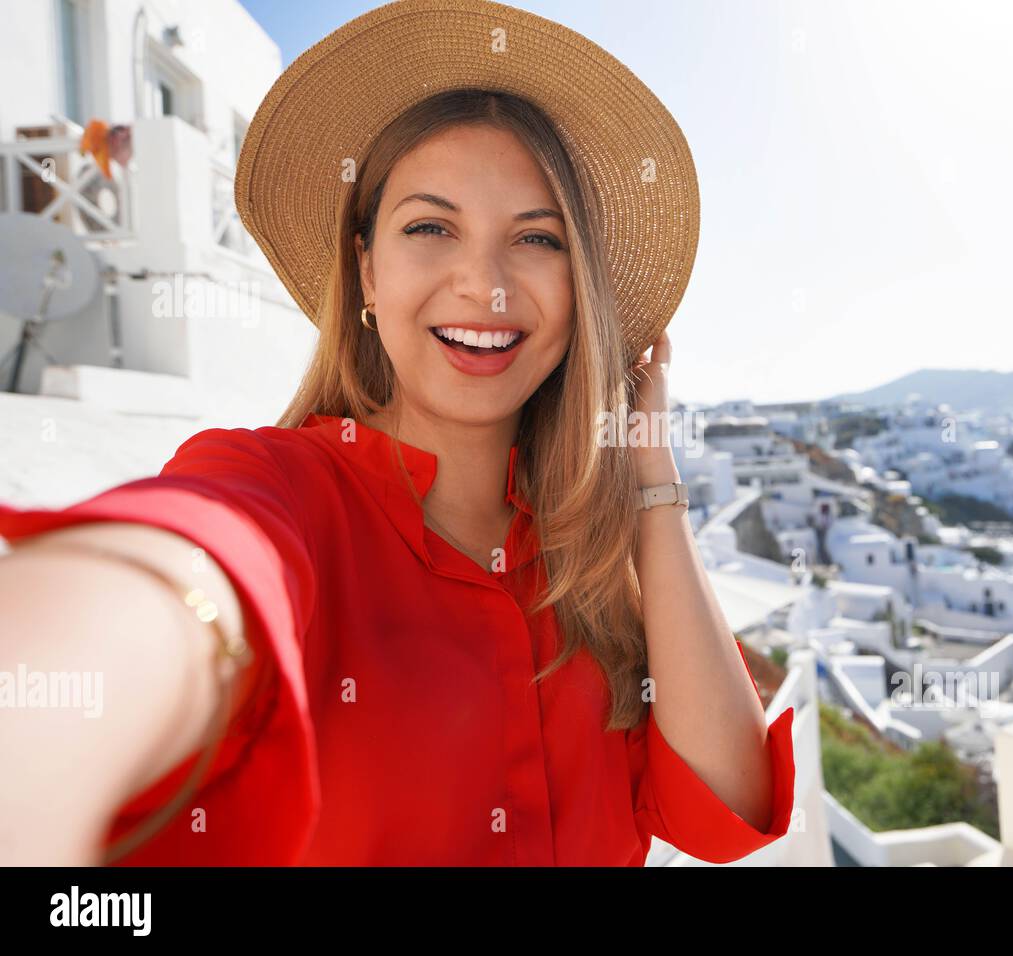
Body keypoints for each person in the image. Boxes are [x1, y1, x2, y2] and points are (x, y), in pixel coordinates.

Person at [0, 0, 795, 866]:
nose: (485, 285)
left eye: (537, 239)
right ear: (367, 270)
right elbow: (177, 572)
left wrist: (650, 478)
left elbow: (730, 800)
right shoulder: (281, 487)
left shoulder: (595, 562)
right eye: (430, 227)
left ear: (581, 296)